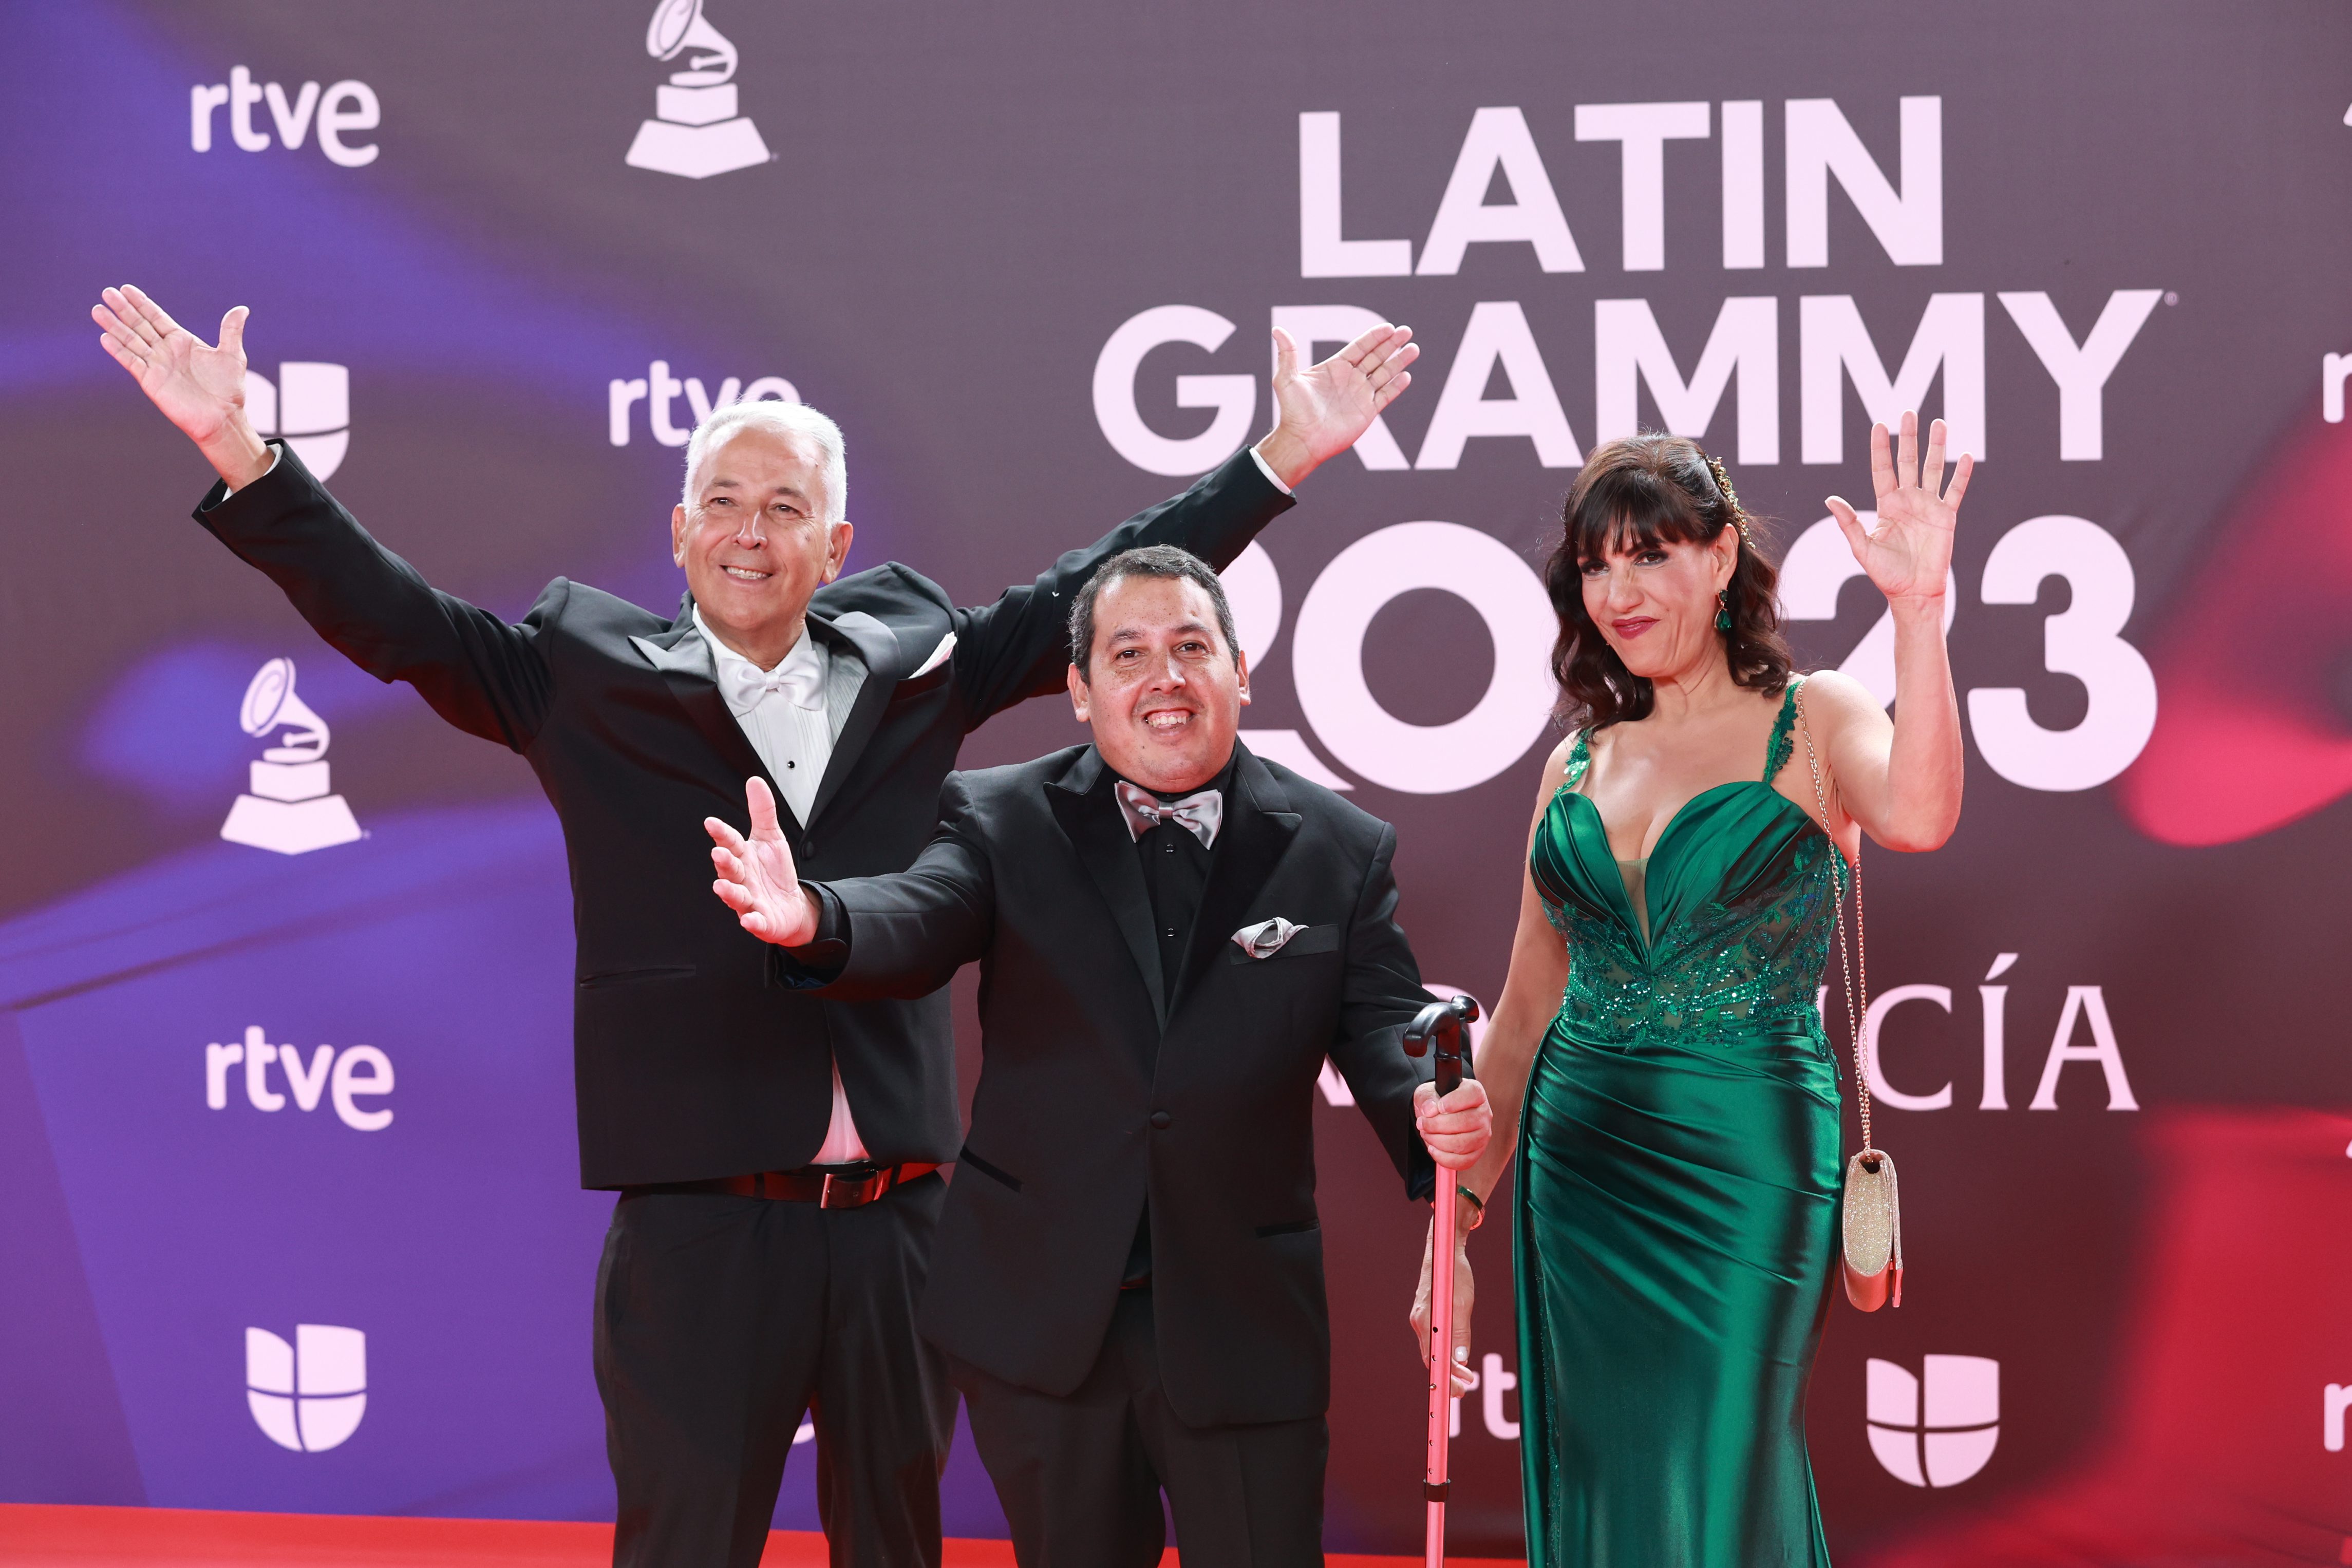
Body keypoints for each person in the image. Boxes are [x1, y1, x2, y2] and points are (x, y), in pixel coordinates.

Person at [90, 282, 1419, 1568]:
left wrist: (1283, 452)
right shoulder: (581, 677)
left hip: (900, 1218)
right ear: (676, 533)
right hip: (698, 1215)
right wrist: (240, 450)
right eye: (721, 502)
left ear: (833, 545)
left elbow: (1096, 586)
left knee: (898, 1538)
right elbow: (394, 619)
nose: (748, 529)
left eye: (785, 506)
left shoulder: (918, 670)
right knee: (686, 1536)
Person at [705, 544, 1495, 1567]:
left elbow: (1387, 1029)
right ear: (1079, 691)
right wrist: (815, 914)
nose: (1163, 677)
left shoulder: (1338, 848)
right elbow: (920, 914)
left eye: (1190, 647)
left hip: (1241, 1321)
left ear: (1240, 668)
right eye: (1127, 655)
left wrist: (1429, 1111)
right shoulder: (997, 817)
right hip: (1042, 1319)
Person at [1424, 418, 1969, 1565]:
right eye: (1594, 563)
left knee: (1725, 1474)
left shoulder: (1812, 718)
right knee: (1608, 1488)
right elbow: (1520, 1022)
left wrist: (1917, 619)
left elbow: (1918, 816)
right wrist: (1451, 1234)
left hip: (1743, 1164)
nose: (1618, 590)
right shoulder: (1574, 763)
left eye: (1650, 554)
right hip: (1579, 1177)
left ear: (1721, 560)